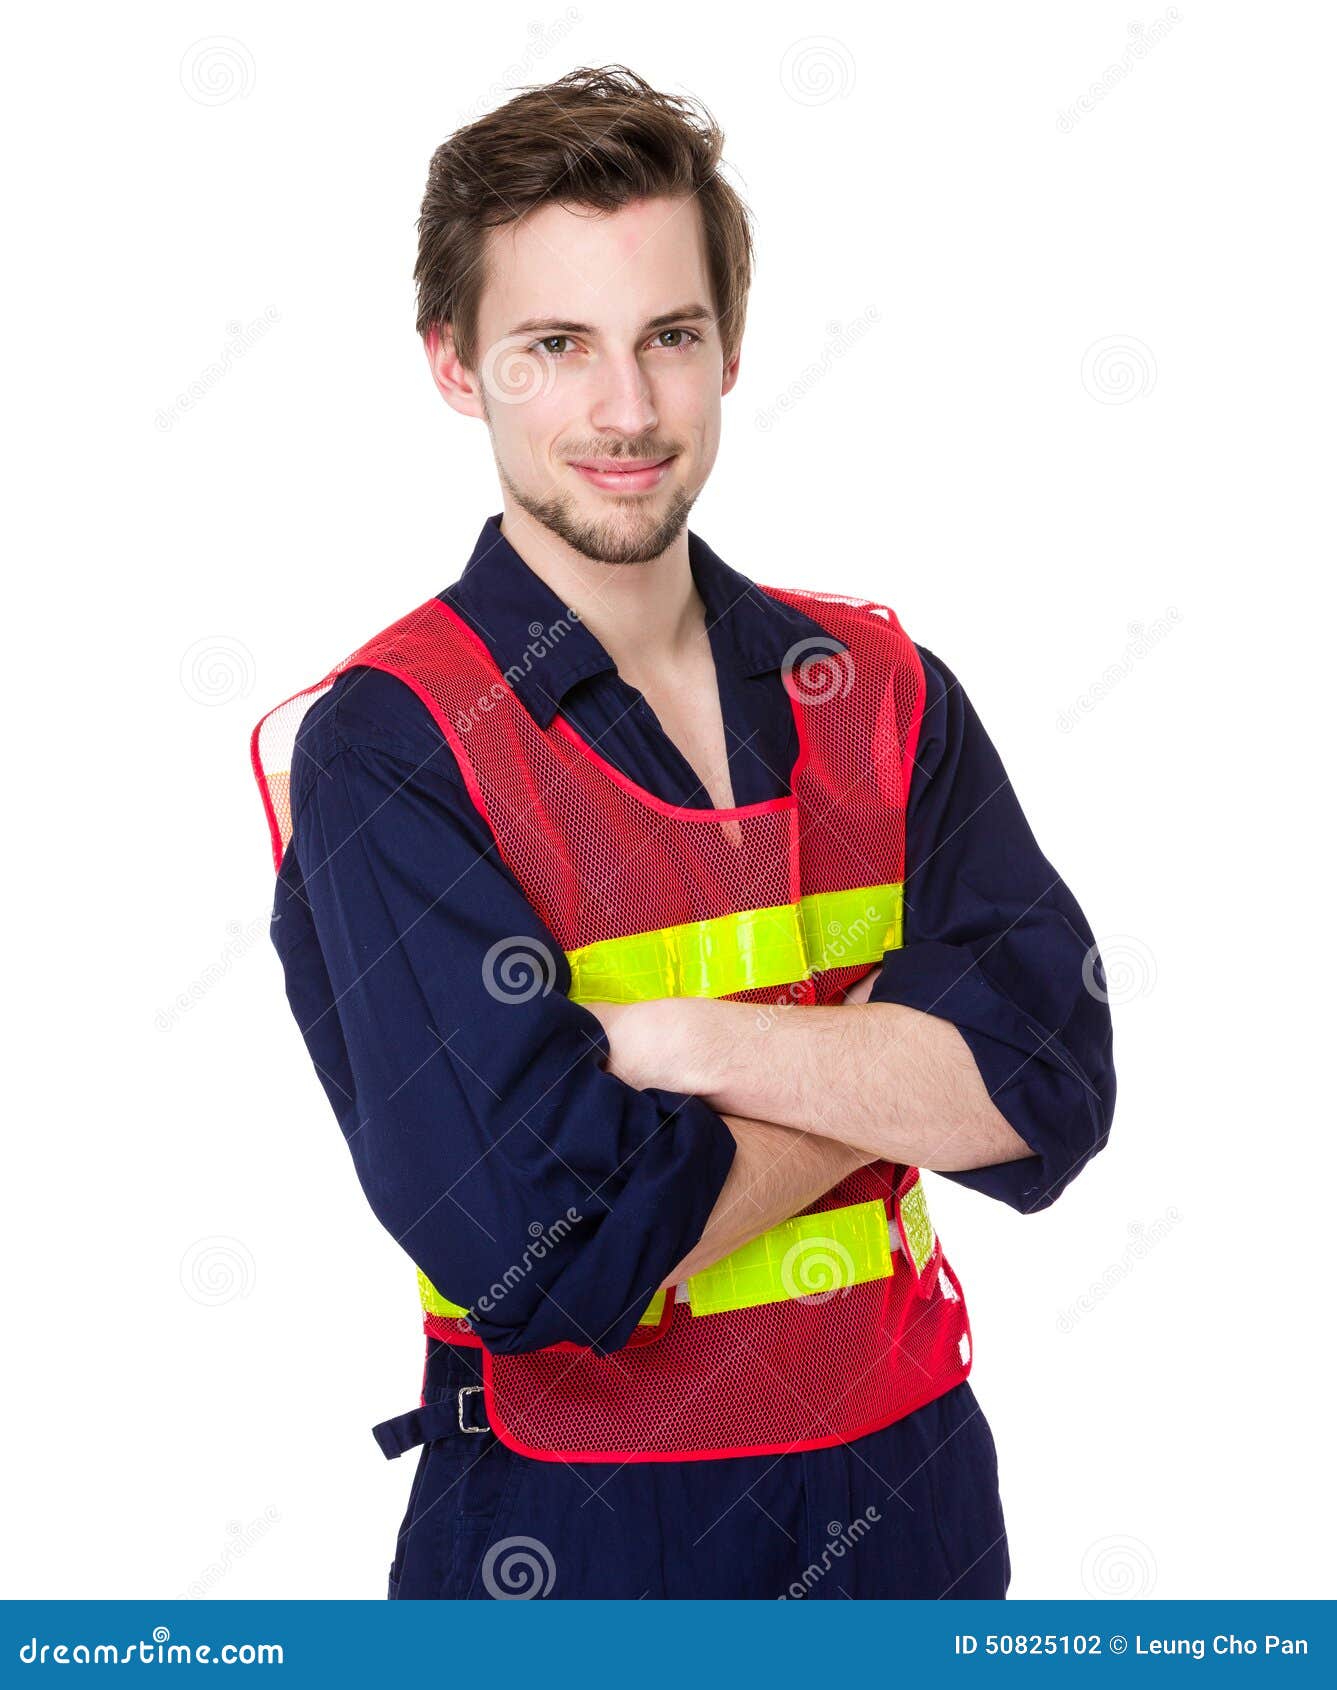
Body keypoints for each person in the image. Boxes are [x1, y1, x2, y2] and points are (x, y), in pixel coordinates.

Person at [253, 64, 1115, 1600]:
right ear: (453, 365)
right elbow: (546, 1245)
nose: (628, 410)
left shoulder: (879, 690)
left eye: (668, 336)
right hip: (573, 1546)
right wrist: (892, 1071)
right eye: (555, 347)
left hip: (910, 1507)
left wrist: (680, 1043)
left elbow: (1052, 1080)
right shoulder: (393, 746)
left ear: (729, 346)